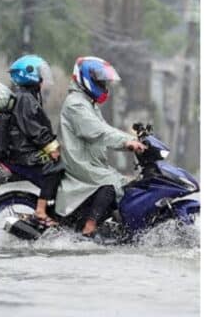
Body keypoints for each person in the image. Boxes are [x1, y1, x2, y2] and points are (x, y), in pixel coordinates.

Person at [56, 56, 146, 238]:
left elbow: (105, 129)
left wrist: (132, 139)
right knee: (111, 184)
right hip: (79, 160)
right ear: (86, 79)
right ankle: (89, 227)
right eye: (100, 82)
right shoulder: (76, 104)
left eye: (105, 82)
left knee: (122, 182)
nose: (104, 86)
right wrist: (127, 142)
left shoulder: (88, 103)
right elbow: (98, 132)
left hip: (90, 159)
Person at [7, 54, 64, 227]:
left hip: (26, 150)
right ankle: (40, 211)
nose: (43, 79)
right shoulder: (25, 98)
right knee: (56, 166)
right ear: (29, 75)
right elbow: (35, 129)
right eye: (40, 74)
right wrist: (52, 148)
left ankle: (53, 209)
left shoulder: (28, 97)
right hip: (24, 153)